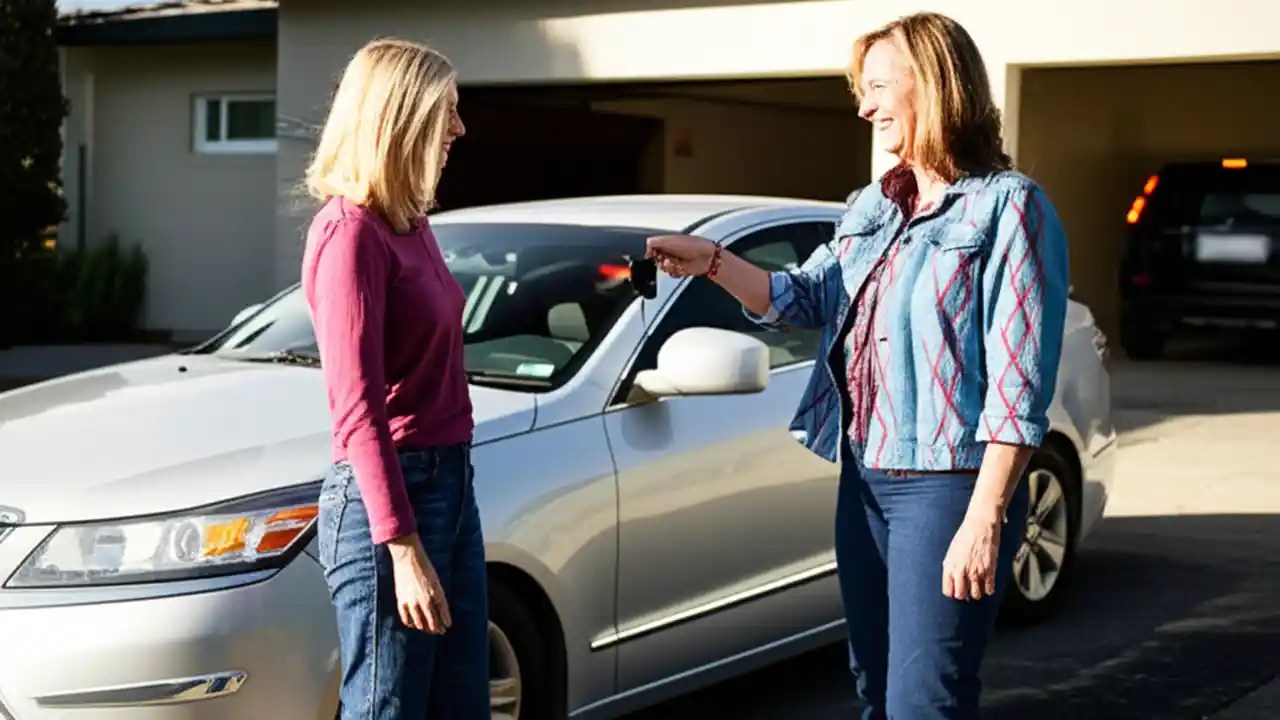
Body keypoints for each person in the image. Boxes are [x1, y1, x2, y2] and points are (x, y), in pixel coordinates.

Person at [645, 11, 1069, 720]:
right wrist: (712, 263)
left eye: (876, 87)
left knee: (923, 702)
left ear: (930, 85)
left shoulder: (1009, 209)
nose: (864, 106)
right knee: (875, 692)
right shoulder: (876, 203)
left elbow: (1019, 384)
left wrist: (985, 515)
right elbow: (804, 295)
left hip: (949, 483)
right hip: (866, 478)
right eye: (860, 90)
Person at [300, 38, 488, 719]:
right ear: (399, 118)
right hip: (392, 503)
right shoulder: (349, 235)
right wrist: (401, 546)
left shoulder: (409, 224)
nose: (459, 131)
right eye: (448, 113)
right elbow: (357, 411)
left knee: (460, 704)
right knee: (388, 707)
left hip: (452, 485)